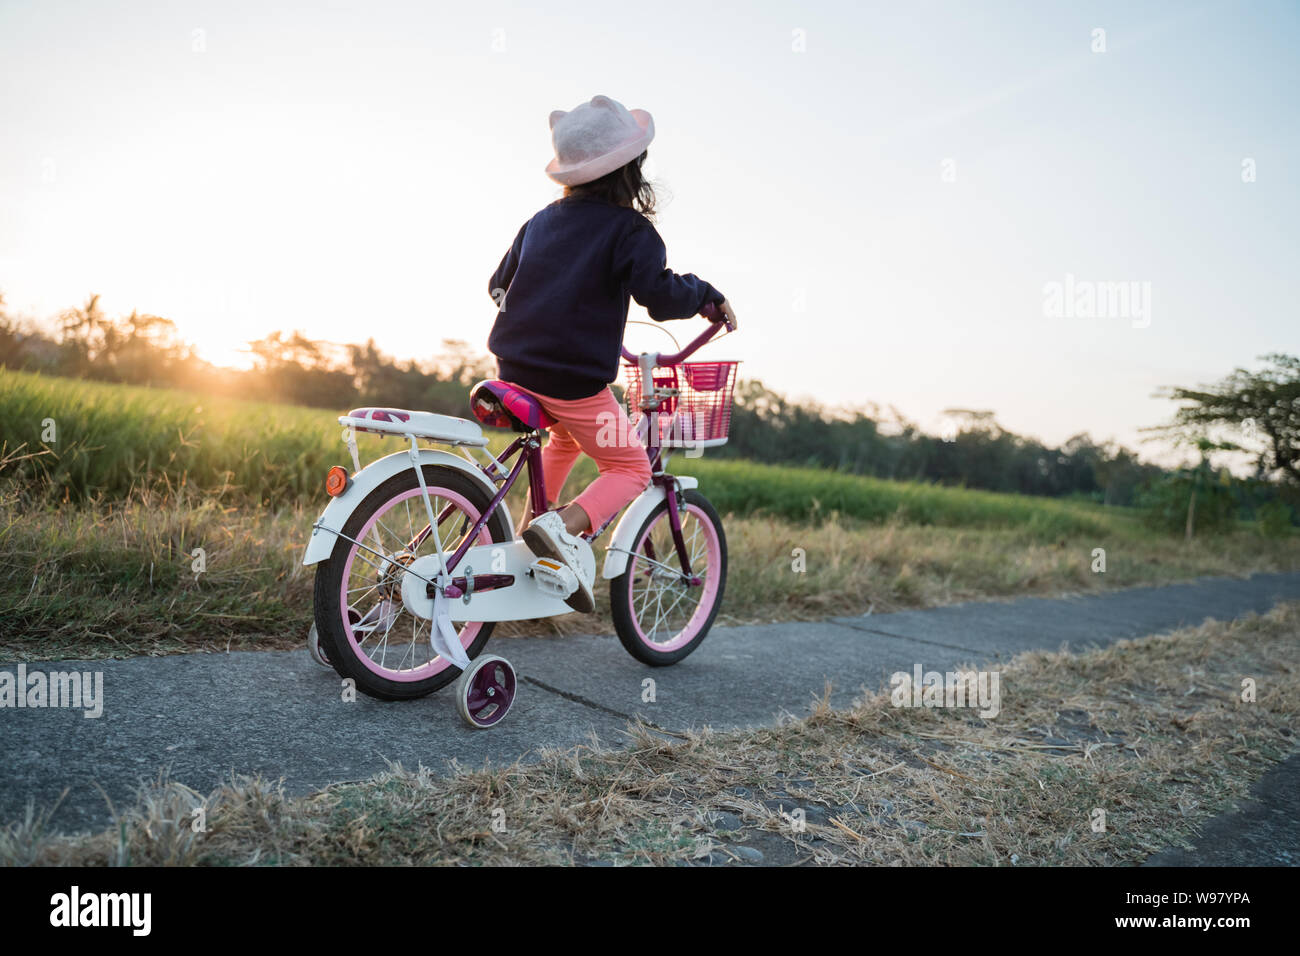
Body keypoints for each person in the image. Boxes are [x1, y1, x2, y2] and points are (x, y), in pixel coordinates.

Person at [486, 94, 736, 613]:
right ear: (631, 172)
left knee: (562, 440)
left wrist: (546, 307)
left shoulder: (539, 221)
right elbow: (661, 296)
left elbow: (497, 286)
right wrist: (706, 296)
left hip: (513, 366)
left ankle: (531, 532)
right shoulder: (631, 231)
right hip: (571, 380)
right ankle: (558, 529)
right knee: (630, 468)